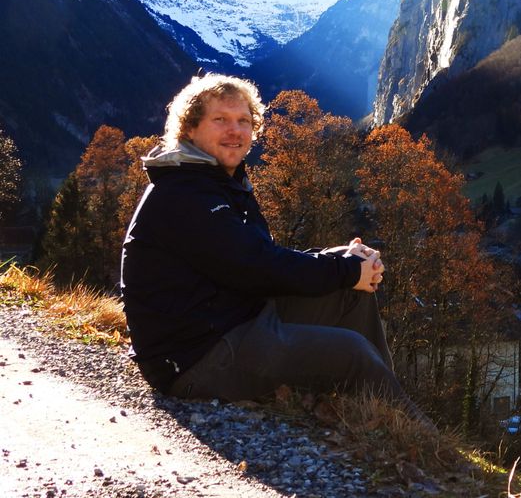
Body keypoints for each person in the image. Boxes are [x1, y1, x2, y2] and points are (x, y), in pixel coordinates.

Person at [120, 74, 425, 422]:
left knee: (350, 293)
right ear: (189, 129)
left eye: (243, 121)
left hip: (233, 320)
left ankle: (377, 415)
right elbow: (255, 267)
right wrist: (346, 269)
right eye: (220, 120)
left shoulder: (220, 183)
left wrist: (340, 260)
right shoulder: (185, 193)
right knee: (350, 350)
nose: (234, 131)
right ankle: (416, 433)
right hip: (195, 358)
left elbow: (256, 258)